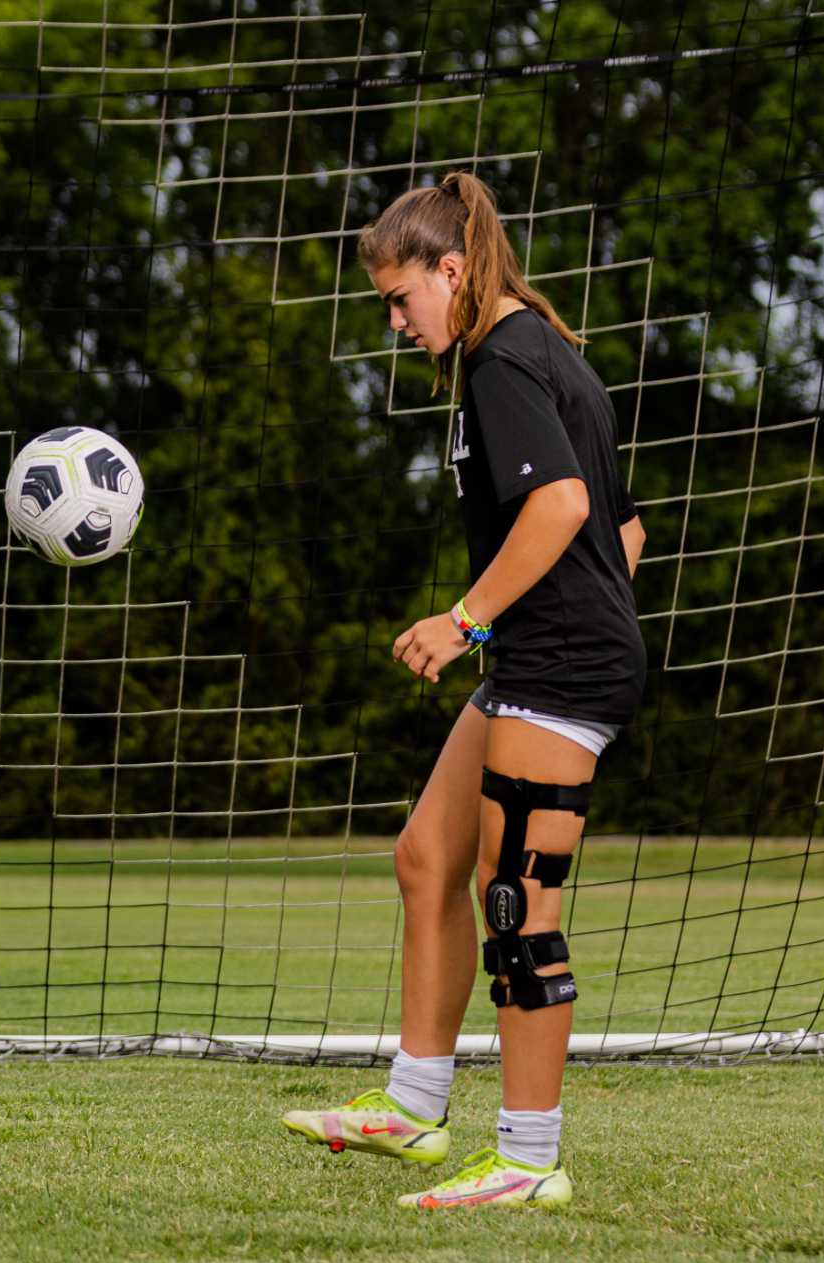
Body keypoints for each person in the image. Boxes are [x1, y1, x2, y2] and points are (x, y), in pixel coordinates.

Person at [281, 171, 648, 1208]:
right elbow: (625, 528)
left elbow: (563, 508)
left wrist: (466, 621)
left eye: (401, 298)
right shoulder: (539, 348)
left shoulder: (500, 357)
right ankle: (411, 1105)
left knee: (513, 905)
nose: (393, 321)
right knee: (425, 856)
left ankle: (527, 1160)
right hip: (544, 655)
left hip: (554, 663)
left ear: (452, 271)